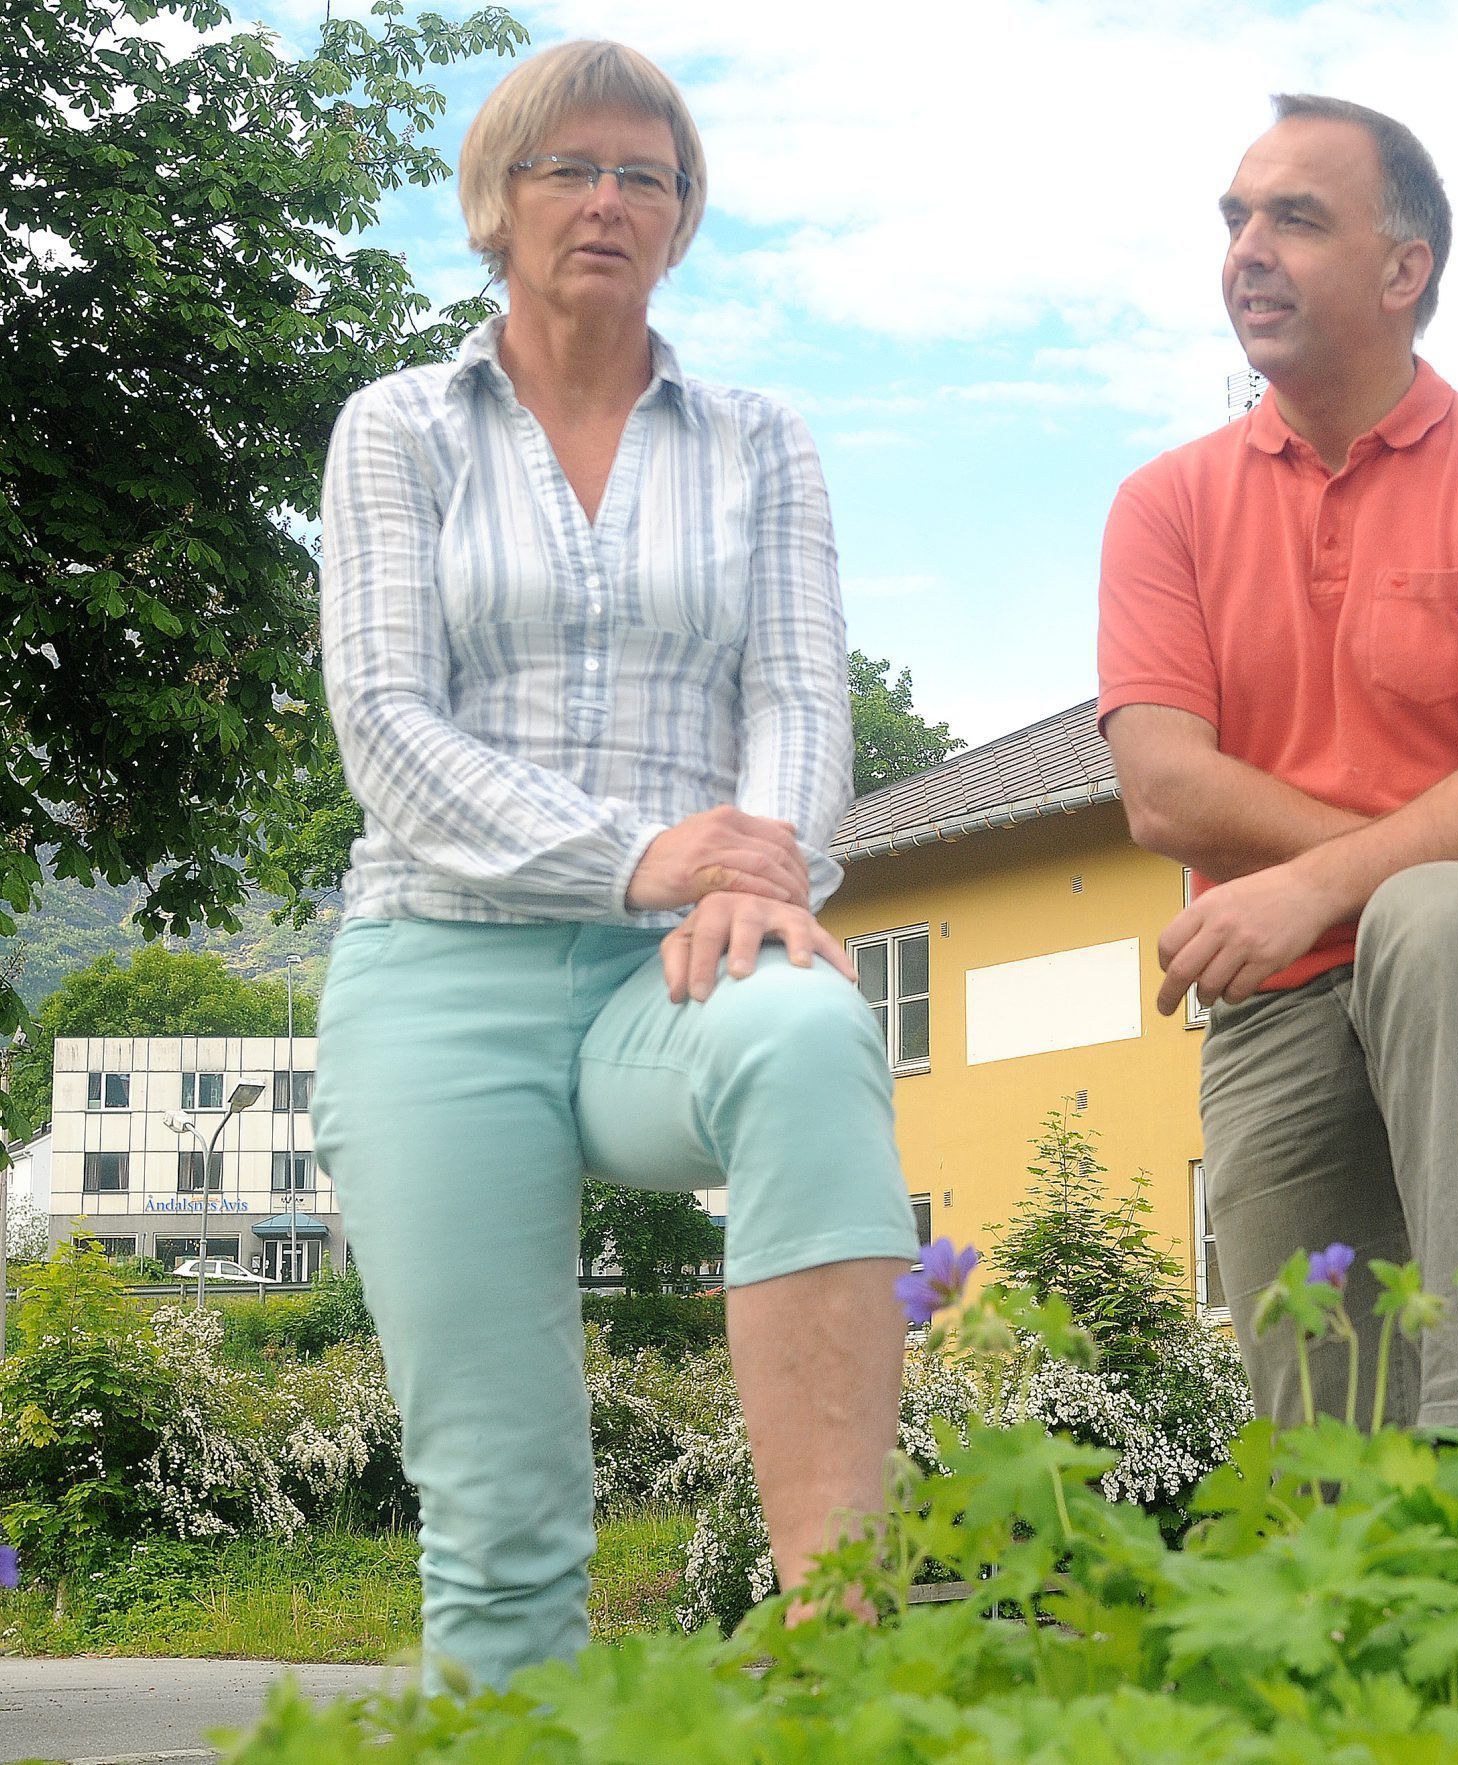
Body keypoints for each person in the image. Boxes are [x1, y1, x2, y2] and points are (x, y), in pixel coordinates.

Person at [309, 40, 917, 1691]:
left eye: (646, 174)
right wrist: (646, 849)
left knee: (805, 1030)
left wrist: (758, 878)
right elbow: (385, 724)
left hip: (675, 971)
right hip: (443, 964)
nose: (607, 199)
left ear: (682, 219)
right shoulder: (398, 431)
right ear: (494, 206)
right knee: (501, 1516)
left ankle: (835, 1623)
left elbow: (798, 693)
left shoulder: (756, 439)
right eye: (569, 168)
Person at [1099, 94, 1458, 1435]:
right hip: (1280, 1002)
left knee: (1437, 910)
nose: (1246, 250)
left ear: (1406, 270)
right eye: (1234, 219)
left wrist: (1329, 876)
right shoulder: (1165, 505)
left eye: (1295, 218)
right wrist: (1434, 850)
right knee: (1323, 1459)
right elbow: (1164, 788)